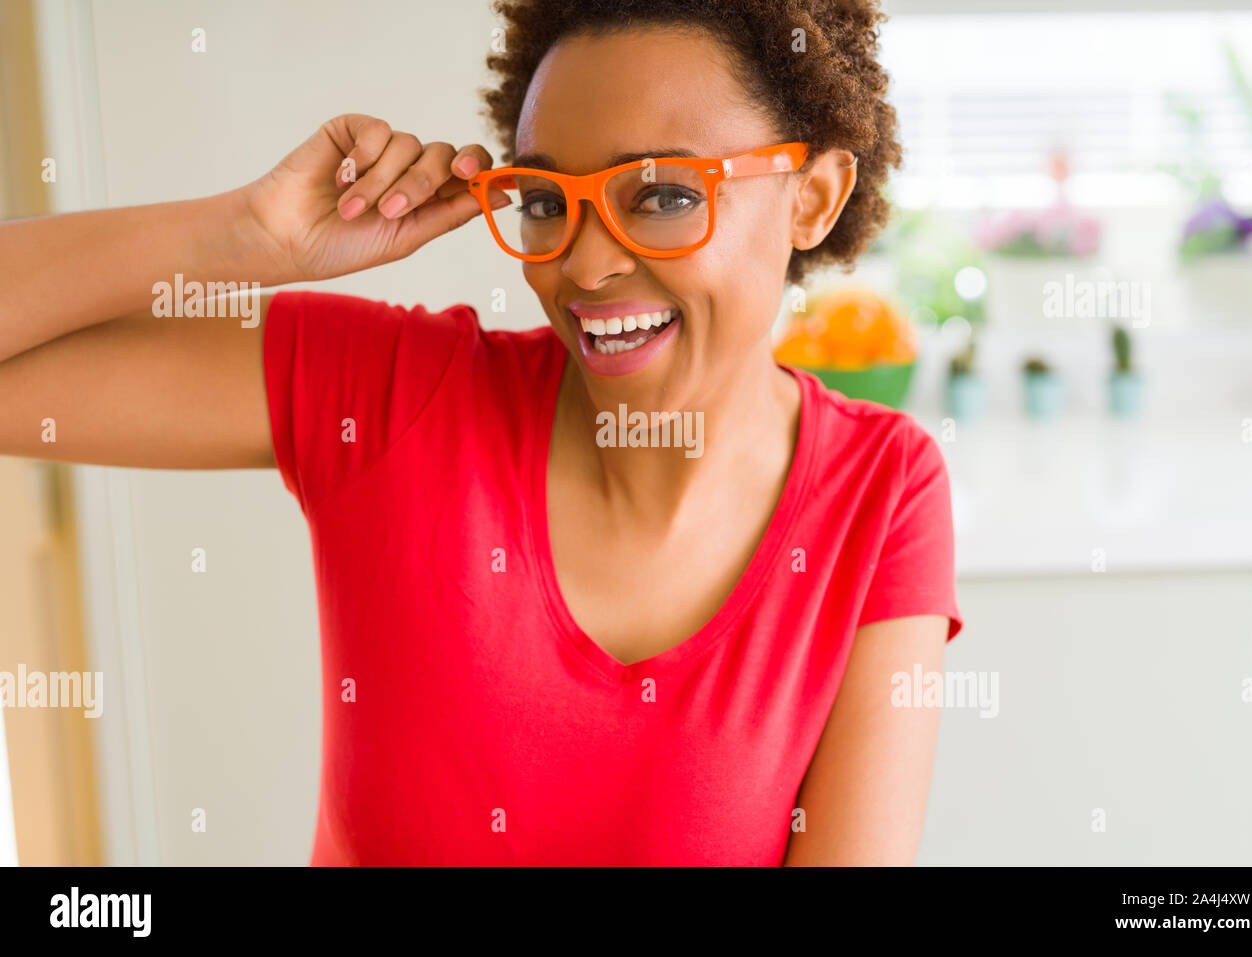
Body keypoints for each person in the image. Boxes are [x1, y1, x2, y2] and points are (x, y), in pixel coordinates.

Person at [0, 0, 961, 865]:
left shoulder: (882, 493)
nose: (585, 268)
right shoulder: (390, 398)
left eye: (662, 195)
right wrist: (245, 235)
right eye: (548, 204)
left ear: (812, 196)